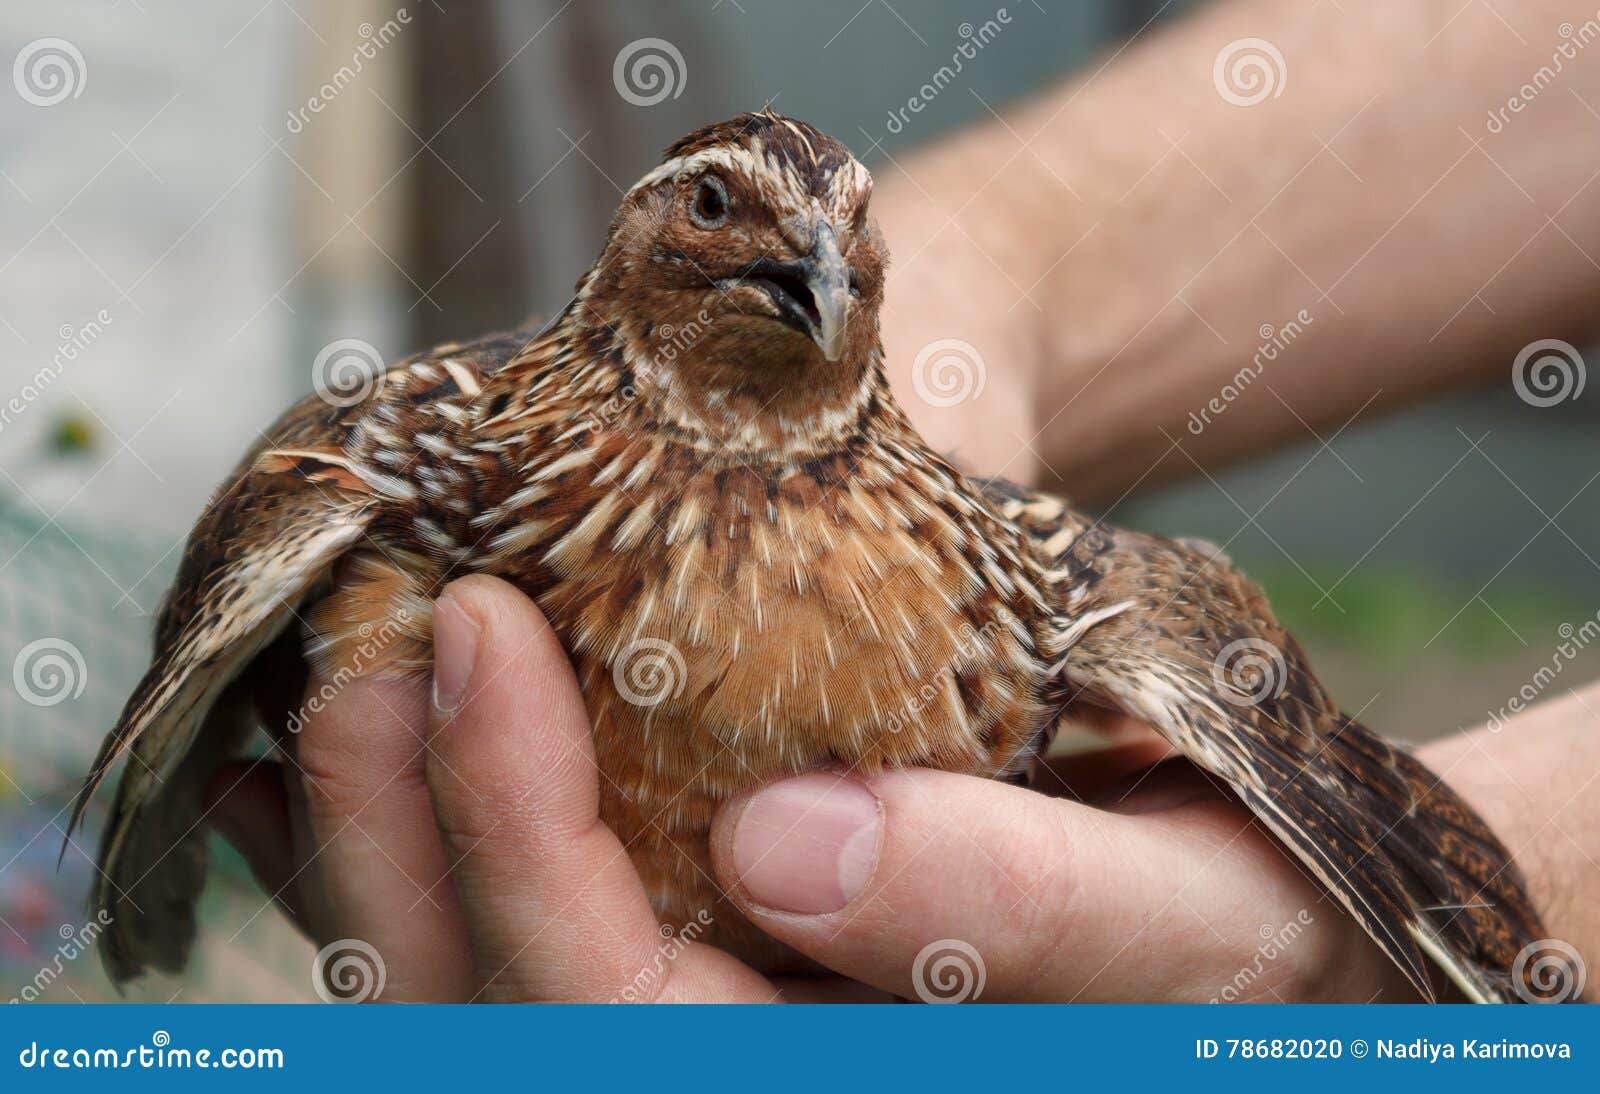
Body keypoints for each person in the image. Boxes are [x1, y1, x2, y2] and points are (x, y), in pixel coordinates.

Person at [207, 0, 1600, 1001]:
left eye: (840, 235)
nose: (803, 252)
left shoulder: (1051, 595)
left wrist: (1340, 952)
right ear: (631, 246)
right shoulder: (417, 483)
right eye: (710, 210)